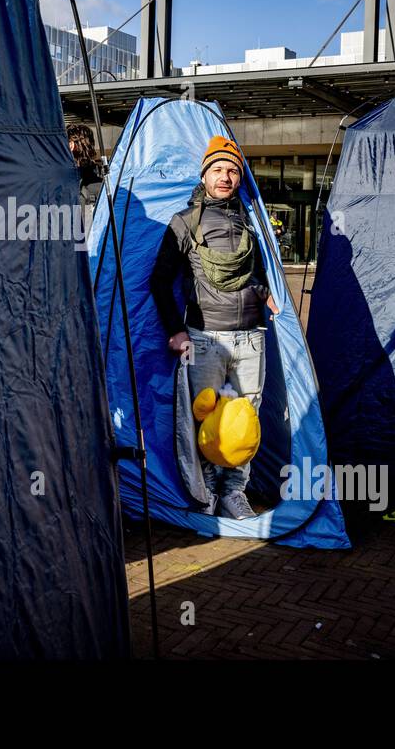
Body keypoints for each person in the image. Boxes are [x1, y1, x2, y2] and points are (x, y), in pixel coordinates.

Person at [148, 136, 279, 519]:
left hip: (252, 335)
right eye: (218, 169)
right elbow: (159, 281)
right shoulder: (184, 222)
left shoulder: (251, 221)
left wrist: (266, 292)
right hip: (204, 337)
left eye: (233, 170)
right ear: (204, 175)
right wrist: (176, 329)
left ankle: (234, 493)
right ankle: (204, 494)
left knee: (245, 419)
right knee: (204, 418)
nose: (226, 177)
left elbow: (256, 270)